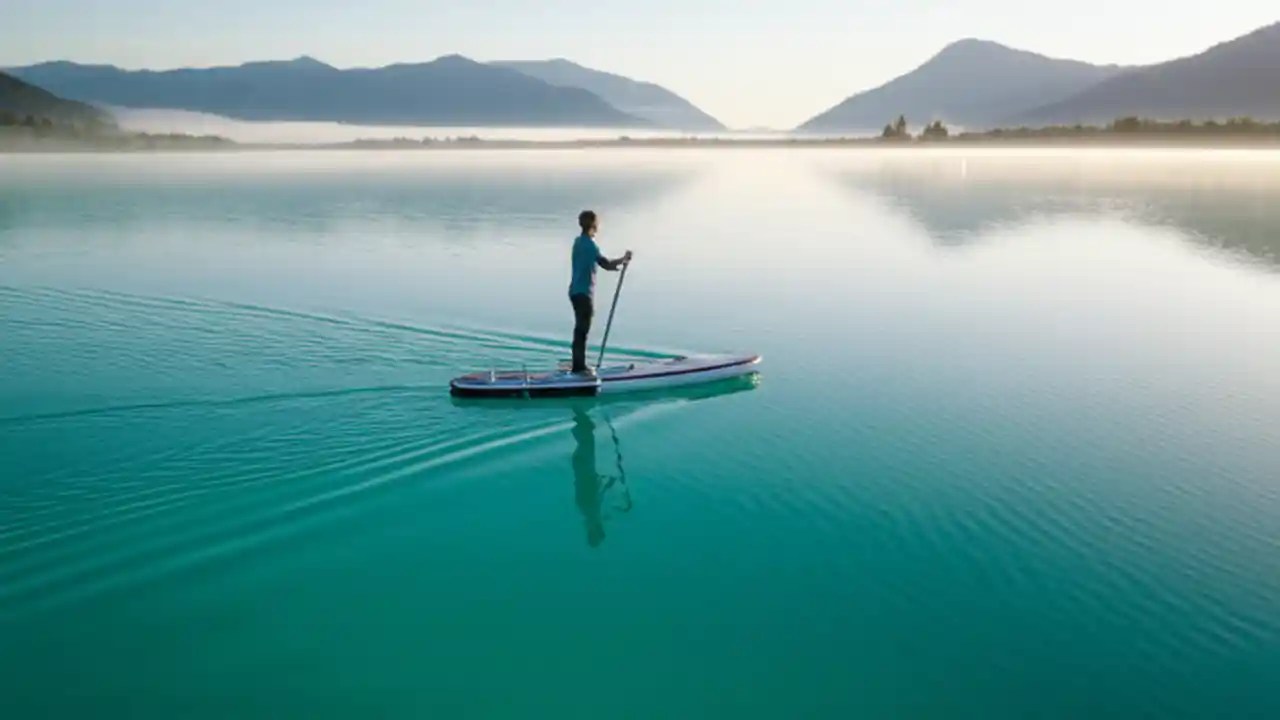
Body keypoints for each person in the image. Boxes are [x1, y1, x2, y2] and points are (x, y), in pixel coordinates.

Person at [569, 210, 631, 376]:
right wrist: (623, 260)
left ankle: (577, 362)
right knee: (582, 329)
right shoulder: (590, 245)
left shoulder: (578, 242)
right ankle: (579, 367)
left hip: (574, 291)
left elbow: (605, 264)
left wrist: (617, 264)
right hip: (583, 293)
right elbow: (605, 263)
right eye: (597, 223)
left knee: (579, 329)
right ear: (593, 225)